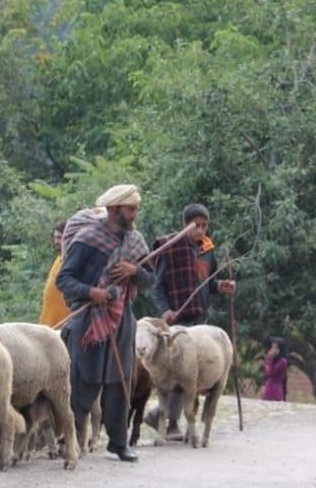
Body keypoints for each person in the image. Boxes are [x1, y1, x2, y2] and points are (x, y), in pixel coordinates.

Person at [57, 184, 155, 463]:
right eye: (131, 209)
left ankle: (118, 442)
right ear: (114, 209)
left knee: (121, 378)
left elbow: (151, 279)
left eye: (136, 209)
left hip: (122, 316)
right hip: (88, 318)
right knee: (82, 379)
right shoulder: (87, 239)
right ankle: (73, 438)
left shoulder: (136, 242)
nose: (135, 215)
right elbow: (64, 279)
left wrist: (134, 271)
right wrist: (92, 292)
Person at [145, 203, 237, 439]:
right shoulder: (171, 248)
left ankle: (176, 420)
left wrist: (221, 286)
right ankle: (171, 422)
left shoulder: (207, 249)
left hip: (200, 320)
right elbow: (158, 286)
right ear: (186, 224)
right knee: (178, 371)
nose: (201, 230)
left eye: (205, 225)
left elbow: (208, 284)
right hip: (177, 323)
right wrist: (165, 310)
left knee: (192, 374)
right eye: (197, 225)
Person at [38, 220, 71, 327]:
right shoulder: (58, 259)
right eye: (56, 237)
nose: (57, 241)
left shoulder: (73, 260)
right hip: (49, 324)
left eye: (61, 238)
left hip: (65, 324)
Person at [261, 337, 289, 402]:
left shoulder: (283, 361)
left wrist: (269, 359)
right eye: (272, 347)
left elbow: (270, 372)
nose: (273, 349)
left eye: (276, 347)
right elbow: (265, 375)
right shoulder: (272, 360)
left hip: (275, 391)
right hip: (267, 389)